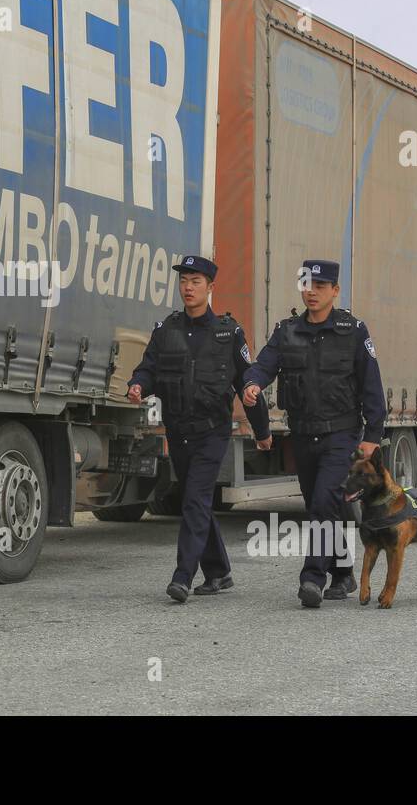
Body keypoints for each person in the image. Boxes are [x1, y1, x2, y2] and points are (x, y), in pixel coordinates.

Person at [127, 255, 272, 604]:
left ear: (210, 287)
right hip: (178, 430)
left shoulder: (227, 332)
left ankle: (182, 576)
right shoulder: (167, 330)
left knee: (193, 499)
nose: (188, 288)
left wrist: (262, 430)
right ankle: (219, 572)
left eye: (195, 281)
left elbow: (246, 383)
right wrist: (137, 385)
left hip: (211, 431)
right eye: (183, 281)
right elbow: (148, 368)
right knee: (199, 502)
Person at [242, 259, 386, 608]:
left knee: (324, 501)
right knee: (323, 504)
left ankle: (312, 578)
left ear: (335, 291)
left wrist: (372, 436)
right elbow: (264, 364)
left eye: (320, 286)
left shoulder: (353, 331)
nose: (312, 292)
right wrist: (253, 384)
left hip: (342, 435)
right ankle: (343, 572)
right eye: (306, 285)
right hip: (303, 435)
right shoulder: (287, 330)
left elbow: (371, 387)